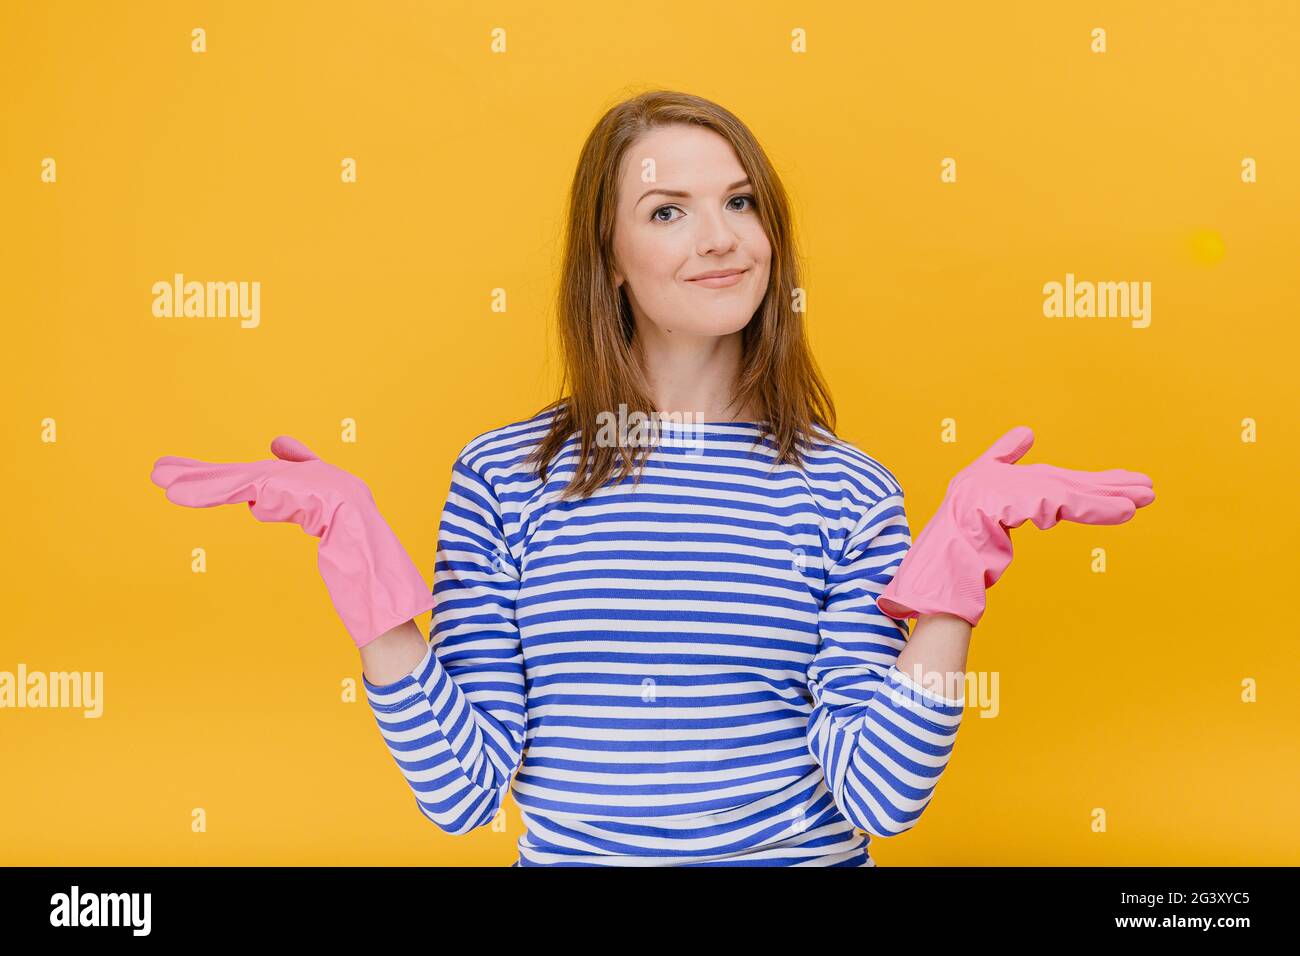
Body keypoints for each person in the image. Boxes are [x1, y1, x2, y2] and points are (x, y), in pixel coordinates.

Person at [150, 90, 1155, 866]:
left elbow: (879, 799)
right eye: (668, 211)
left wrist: (952, 580)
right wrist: (373, 593)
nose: (720, 238)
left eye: (739, 202)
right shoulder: (503, 475)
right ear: (611, 259)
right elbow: (462, 792)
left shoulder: (848, 488)